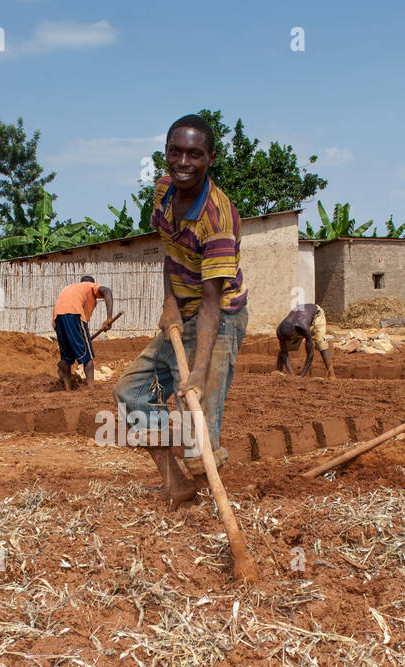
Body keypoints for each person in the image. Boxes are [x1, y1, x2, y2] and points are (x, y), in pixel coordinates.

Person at [112, 114, 248, 508]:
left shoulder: (218, 219)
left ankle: (210, 506)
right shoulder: (163, 192)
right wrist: (170, 301)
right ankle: (177, 483)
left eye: (195, 154)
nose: (183, 162)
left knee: (198, 424)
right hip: (183, 310)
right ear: (166, 153)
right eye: (176, 152)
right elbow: (170, 251)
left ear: (210, 158)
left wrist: (201, 368)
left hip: (218, 318)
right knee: (131, 393)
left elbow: (211, 301)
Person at [53, 276, 114, 388]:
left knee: (66, 357)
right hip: (74, 315)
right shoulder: (90, 286)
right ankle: (91, 387)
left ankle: (67, 387)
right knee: (87, 355)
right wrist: (109, 318)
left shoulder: (71, 287)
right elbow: (107, 291)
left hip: (58, 318)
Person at [276, 302, 335, 378]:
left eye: (292, 337)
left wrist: (302, 375)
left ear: (294, 331)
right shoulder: (280, 331)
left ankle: (332, 375)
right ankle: (278, 371)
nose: (291, 340)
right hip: (300, 312)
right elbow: (284, 351)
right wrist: (290, 373)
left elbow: (310, 354)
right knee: (285, 347)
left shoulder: (303, 326)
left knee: (320, 343)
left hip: (316, 314)